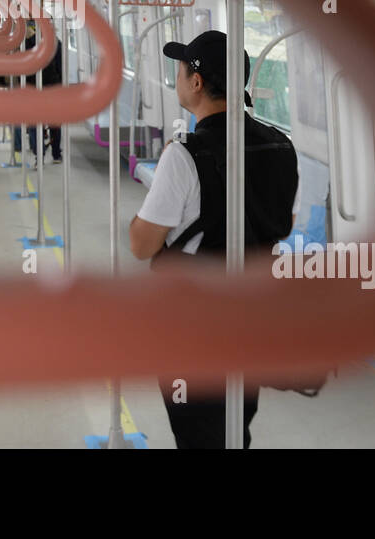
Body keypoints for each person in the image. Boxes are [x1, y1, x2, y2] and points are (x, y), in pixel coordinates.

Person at [127, 30, 298, 448]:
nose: (180, 77)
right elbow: (282, 226)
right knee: (235, 421)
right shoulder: (282, 146)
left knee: (197, 431)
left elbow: (142, 246)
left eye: (182, 69)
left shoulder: (183, 156)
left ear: (197, 82)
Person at [12, 22, 62, 166]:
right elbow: (60, 67)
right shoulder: (56, 44)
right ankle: (55, 153)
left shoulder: (27, 44)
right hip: (50, 87)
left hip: (35, 87)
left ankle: (39, 155)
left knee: (35, 124)